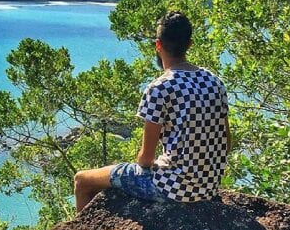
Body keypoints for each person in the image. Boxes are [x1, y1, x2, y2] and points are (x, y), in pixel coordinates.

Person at [73, 11, 231, 212]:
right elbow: (226, 144)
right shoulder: (215, 82)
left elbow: (145, 160)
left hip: (173, 190)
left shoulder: (160, 87)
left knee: (82, 180)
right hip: (210, 187)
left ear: (158, 45)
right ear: (189, 44)